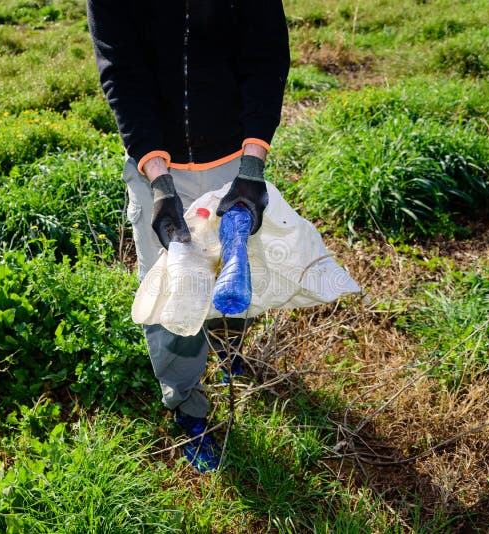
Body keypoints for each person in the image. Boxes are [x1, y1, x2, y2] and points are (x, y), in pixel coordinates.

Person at [87, 0, 290, 472]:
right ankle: (188, 406)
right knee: (172, 295)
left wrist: (251, 168)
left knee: (235, 263)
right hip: (156, 164)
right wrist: (160, 185)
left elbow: (266, 58)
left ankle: (227, 342)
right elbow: (123, 74)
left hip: (233, 161)